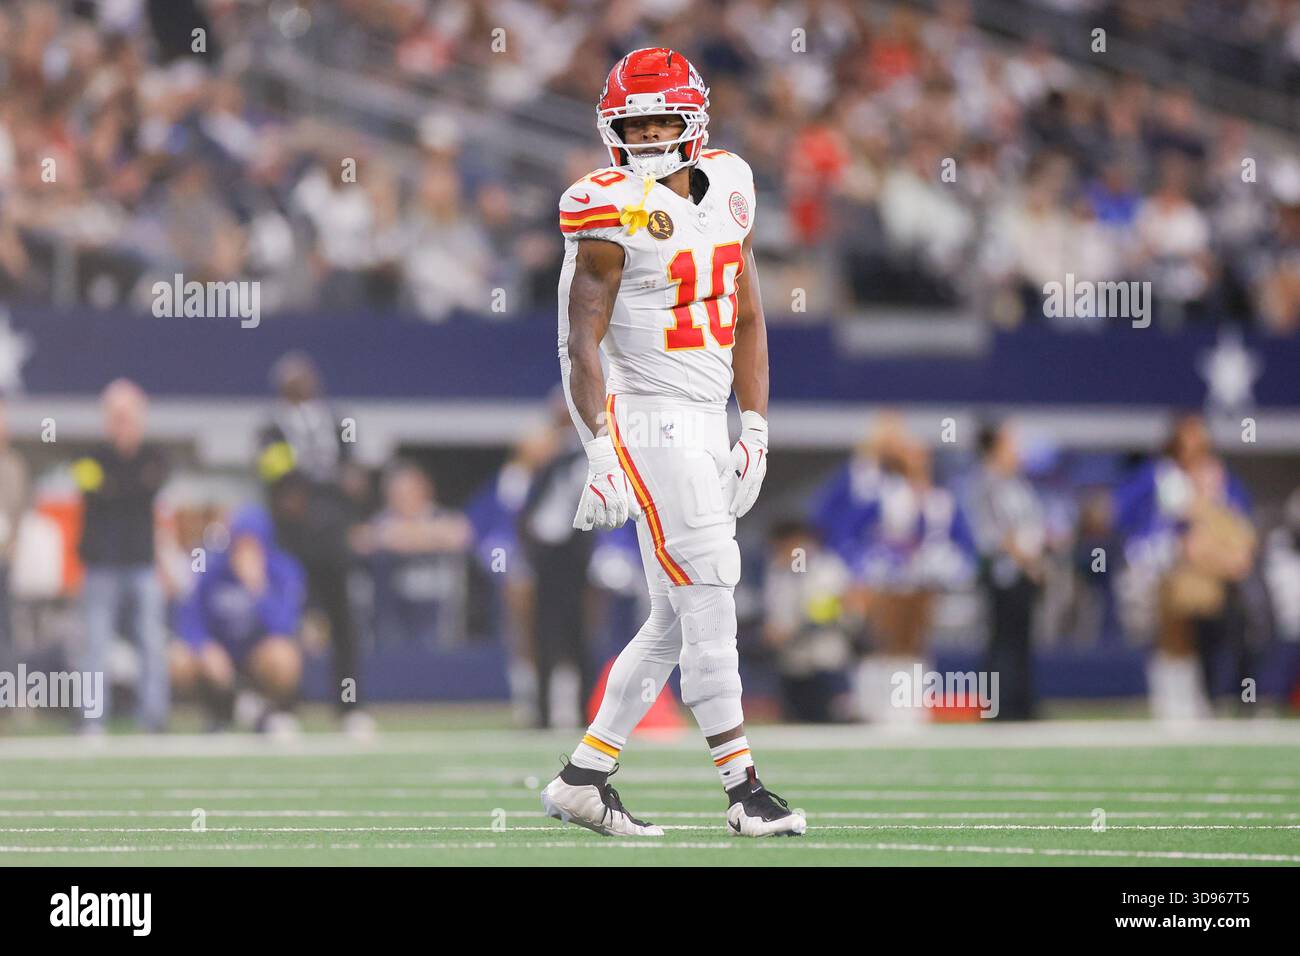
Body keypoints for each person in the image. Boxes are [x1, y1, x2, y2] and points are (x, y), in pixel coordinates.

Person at [540, 48, 805, 837]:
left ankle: (583, 777)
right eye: (634, 123)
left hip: (706, 415)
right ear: (610, 128)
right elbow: (578, 340)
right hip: (648, 414)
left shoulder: (733, 183)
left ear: (693, 122)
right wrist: (598, 450)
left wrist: (754, 425)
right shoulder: (604, 206)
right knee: (712, 589)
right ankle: (743, 788)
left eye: (661, 120)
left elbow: (749, 314)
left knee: (669, 614)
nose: (648, 135)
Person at [258, 352, 373, 736]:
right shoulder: (271, 428)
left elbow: (354, 477)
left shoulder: (339, 420)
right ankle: (284, 707)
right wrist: (325, 485)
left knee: (343, 622)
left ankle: (349, 707)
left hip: (334, 534)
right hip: (294, 539)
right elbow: (280, 482)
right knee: (289, 622)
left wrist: (330, 492)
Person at [74, 379, 170, 732]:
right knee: (95, 645)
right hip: (100, 564)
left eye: (128, 416)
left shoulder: (154, 456)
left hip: (142, 563)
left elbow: (142, 489)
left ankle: (153, 718)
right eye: (115, 416)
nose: (121, 423)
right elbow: (95, 492)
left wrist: (115, 487)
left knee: (151, 642)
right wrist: (122, 487)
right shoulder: (90, 457)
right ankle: (92, 720)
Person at [172, 505, 306, 734]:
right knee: (177, 658)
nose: (244, 550)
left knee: (283, 657)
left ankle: (271, 712)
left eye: (251, 542)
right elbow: (189, 616)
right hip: (221, 658)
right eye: (240, 542)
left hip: (258, 656)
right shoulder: (211, 567)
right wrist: (204, 645)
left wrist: (258, 588)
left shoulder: (284, 569)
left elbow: (284, 626)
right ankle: (218, 712)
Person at [963, 421, 1046, 720]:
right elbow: (995, 533)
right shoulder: (986, 482)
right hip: (1002, 573)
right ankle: (998, 707)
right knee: (1002, 641)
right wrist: (1027, 560)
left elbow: (1031, 524)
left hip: (1024, 573)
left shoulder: (1017, 483)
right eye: (1012, 446)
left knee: (1021, 640)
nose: (1018, 452)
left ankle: (1022, 704)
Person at [0, 398, 28, 676]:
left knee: (5, 626)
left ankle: (5, 694)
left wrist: (12, 549)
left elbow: (19, 512)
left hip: (3, 560)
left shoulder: (14, 466)